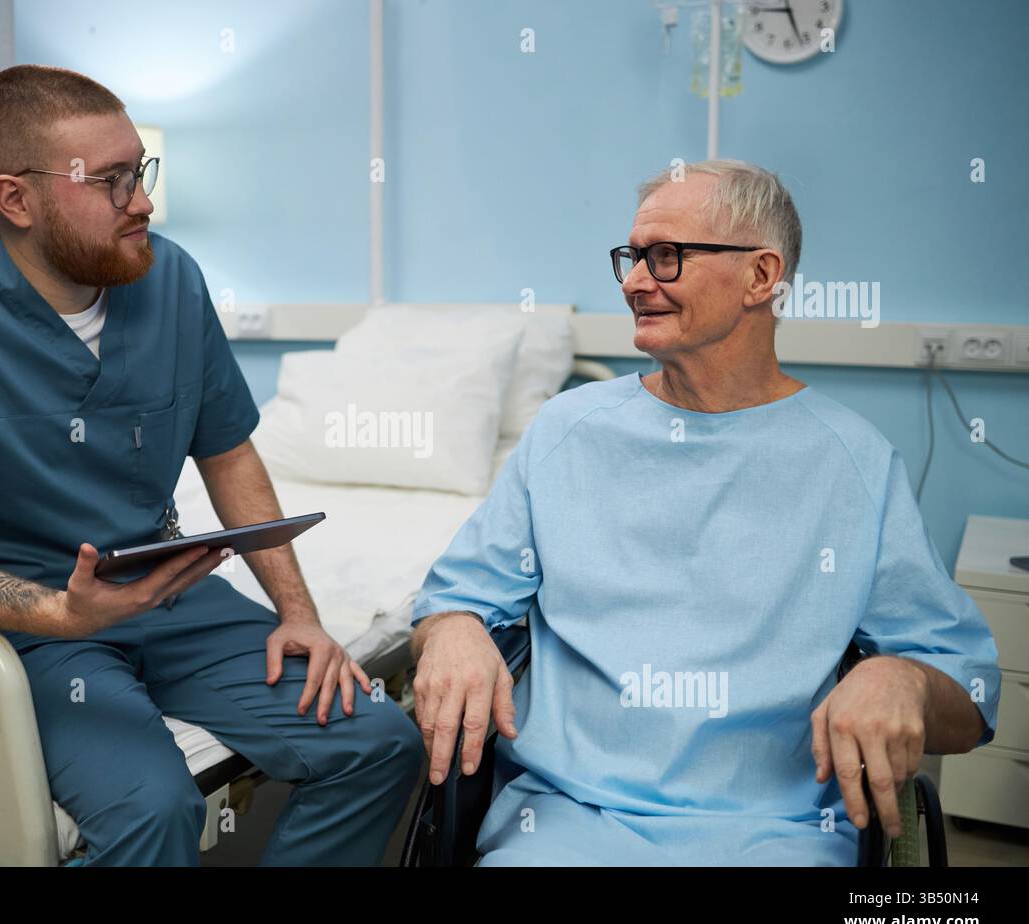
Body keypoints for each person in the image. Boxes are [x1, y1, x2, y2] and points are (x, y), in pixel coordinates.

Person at [0, 64, 422, 866]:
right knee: (152, 811)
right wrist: (61, 616)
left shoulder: (171, 280)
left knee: (379, 742)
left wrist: (299, 613)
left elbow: (227, 453)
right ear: (16, 198)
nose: (145, 202)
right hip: (16, 629)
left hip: (164, 594)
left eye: (142, 172)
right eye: (114, 180)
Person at [409, 160, 1001, 866]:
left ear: (760, 277)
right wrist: (450, 631)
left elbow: (968, 700)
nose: (634, 281)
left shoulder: (853, 462)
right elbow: (455, 599)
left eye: (666, 257)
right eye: (632, 258)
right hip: (567, 825)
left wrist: (902, 677)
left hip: (777, 837)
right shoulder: (567, 433)